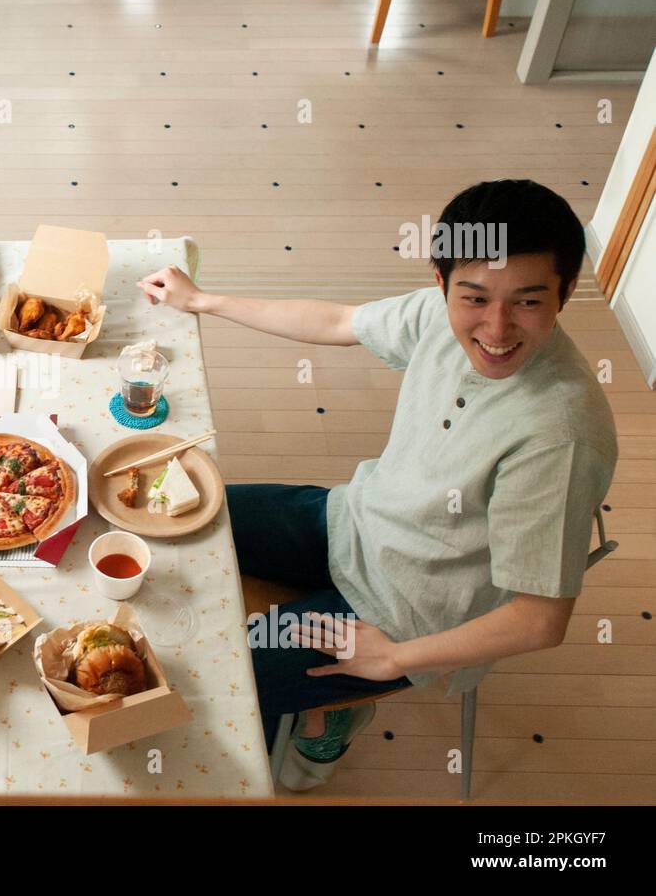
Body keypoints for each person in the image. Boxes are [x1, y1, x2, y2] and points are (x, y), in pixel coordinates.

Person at [138, 180, 617, 790]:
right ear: (442, 284)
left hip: (408, 610)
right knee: (175, 516)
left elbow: (539, 620)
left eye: (528, 301)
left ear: (566, 292)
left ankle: (333, 715)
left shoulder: (560, 435)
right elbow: (340, 321)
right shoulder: (439, 316)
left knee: (212, 677)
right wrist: (203, 300)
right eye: (475, 297)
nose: (496, 328)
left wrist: (392, 657)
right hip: (353, 519)